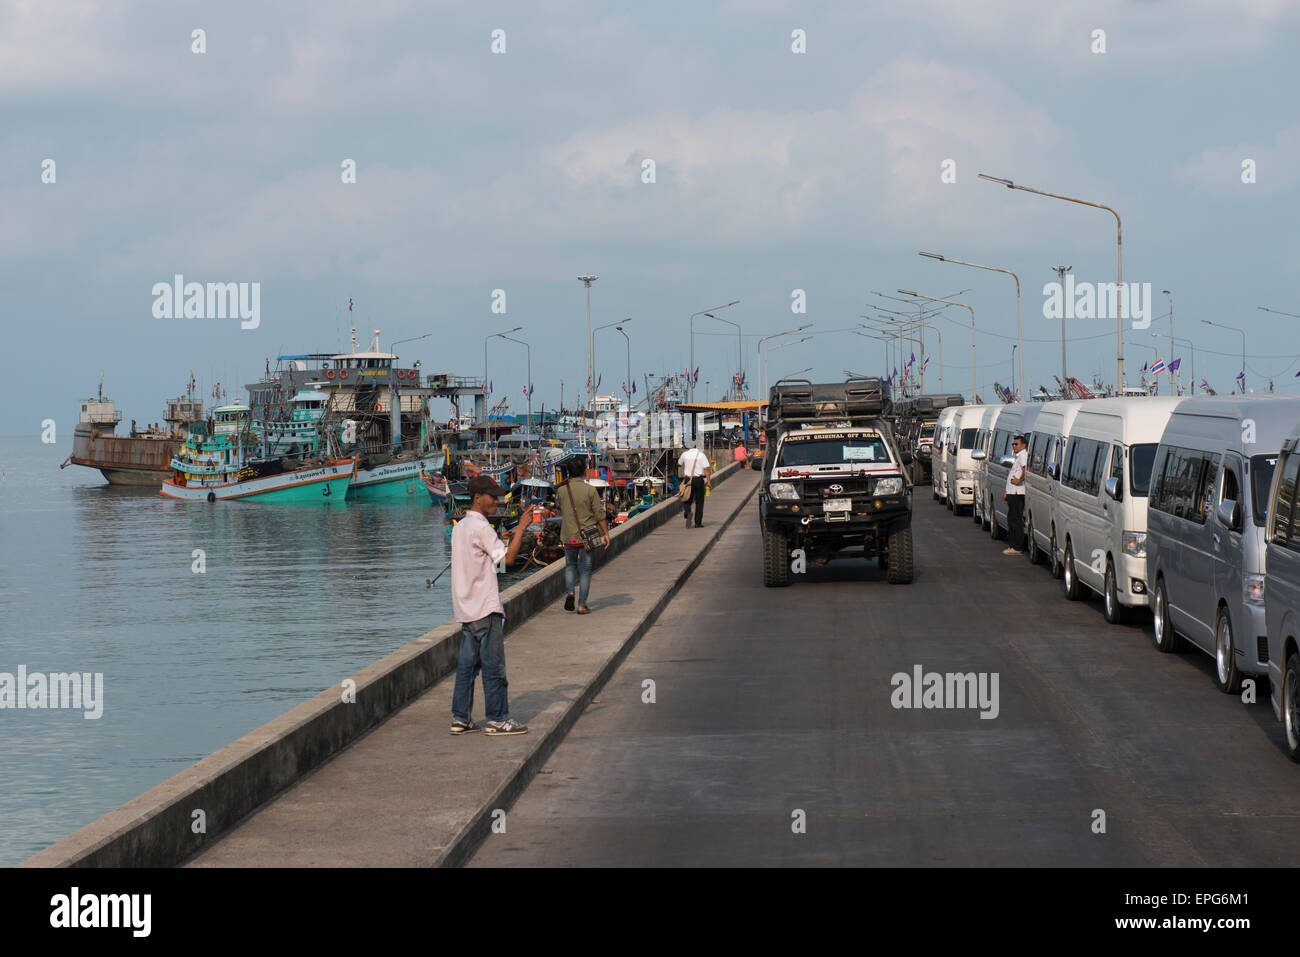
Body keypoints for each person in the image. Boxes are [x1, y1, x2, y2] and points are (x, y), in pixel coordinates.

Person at [448, 475, 530, 735]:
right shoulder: (482, 528)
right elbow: (508, 560)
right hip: (485, 607)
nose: (497, 501)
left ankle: (461, 718)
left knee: (467, 668)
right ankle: (497, 718)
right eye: (492, 497)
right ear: (477, 498)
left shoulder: (459, 527)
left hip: (465, 608)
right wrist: (521, 529)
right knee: (494, 667)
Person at [557, 457, 609, 614]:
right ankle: (581, 605)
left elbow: (563, 510)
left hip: (568, 536)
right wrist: (606, 533)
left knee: (570, 566)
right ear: (584, 471)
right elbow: (599, 515)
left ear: (568, 472)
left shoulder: (561, 491)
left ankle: (570, 592)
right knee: (585, 571)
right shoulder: (590, 490)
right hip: (587, 537)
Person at [1002, 434, 1029, 556]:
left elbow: (1025, 470)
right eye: (1013, 444)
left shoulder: (1023, 455)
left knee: (1016, 519)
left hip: (1017, 492)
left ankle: (1017, 546)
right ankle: (1013, 545)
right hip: (1012, 491)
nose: (1014, 446)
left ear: (1023, 445)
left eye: (1016, 444)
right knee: (1011, 518)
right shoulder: (1018, 456)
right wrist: (1007, 492)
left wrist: (1019, 480)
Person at [678, 440, 712, 528]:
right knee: (699, 501)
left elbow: (679, 464)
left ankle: (688, 512)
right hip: (698, 480)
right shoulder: (701, 455)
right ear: (696, 446)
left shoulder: (684, 454)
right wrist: (708, 482)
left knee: (686, 498)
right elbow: (706, 469)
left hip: (688, 479)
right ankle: (698, 523)